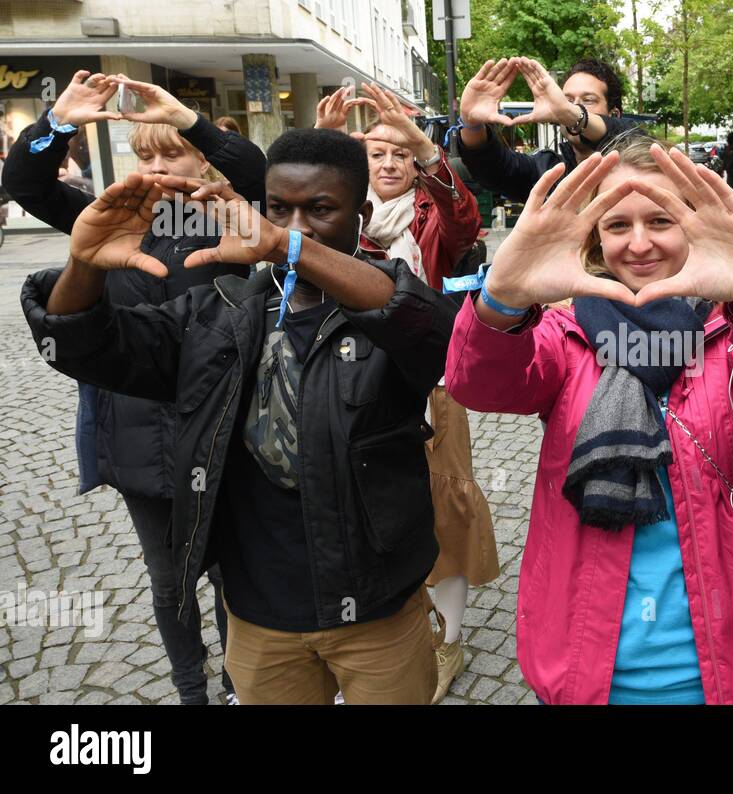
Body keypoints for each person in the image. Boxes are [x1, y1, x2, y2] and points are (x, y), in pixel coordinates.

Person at [22, 128, 460, 704]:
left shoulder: (387, 309)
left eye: (320, 210)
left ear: (362, 215)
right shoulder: (219, 310)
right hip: (260, 616)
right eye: (279, 209)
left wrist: (288, 248)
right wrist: (85, 263)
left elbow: (438, 334)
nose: (296, 225)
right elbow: (85, 346)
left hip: (379, 608)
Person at [444, 137, 733, 704]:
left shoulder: (730, 327)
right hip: (585, 667)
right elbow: (478, 385)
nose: (640, 243)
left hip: (726, 667)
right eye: (618, 224)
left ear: (692, 223)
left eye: (660, 220)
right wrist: (501, 298)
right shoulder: (564, 331)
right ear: (595, 236)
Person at [2, 71, 265, 706]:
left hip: (221, 421)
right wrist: (57, 124)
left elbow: (259, 174)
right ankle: (190, 689)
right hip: (138, 430)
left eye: (172, 153)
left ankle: (238, 683)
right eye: (145, 155)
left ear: (202, 160)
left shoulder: (232, 217)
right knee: (169, 579)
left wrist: (189, 121)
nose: (156, 167)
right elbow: (25, 185)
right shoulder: (114, 214)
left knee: (231, 570)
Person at [320, 82, 494, 703]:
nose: (390, 163)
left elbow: (465, 219)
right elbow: (293, 223)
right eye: (377, 153)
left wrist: (424, 145)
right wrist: (327, 145)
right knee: (370, 503)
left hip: (432, 385)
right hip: (351, 381)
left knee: (445, 505)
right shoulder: (339, 215)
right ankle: (390, 626)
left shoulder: (432, 216)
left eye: (400, 154)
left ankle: (450, 638)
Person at [456, 57, 643, 202]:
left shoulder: (639, 163)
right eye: (567, 100)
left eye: (588, 100)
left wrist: (574, 115)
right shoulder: (547, 171)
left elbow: (627, 132)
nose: (572, 107)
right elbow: (494, 169)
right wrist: (471, 124)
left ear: (614, 114)